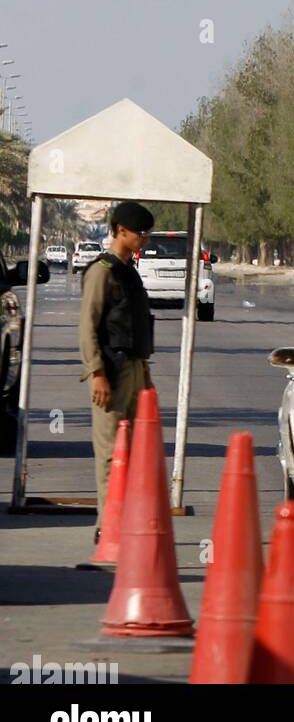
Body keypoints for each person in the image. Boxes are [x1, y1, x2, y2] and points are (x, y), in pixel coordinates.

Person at [79, 201, 156, 540]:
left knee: (137, 451)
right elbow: (88, 326)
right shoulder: (102, 272)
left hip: (135, 369)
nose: (145, 239)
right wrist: (96, 373)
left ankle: (128, 523)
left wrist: (145, 374)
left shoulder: (128, 271)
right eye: (141, 233)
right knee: (112, 453)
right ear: (121, 231)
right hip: (110, 372)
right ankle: (107, 526)